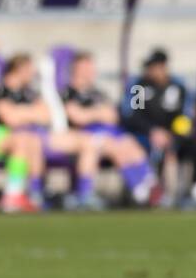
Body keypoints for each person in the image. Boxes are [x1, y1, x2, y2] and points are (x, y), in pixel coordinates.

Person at [0, 53, 106, 211]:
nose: (32, 73)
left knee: (88, 141)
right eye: (29, 69)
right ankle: (33, 193)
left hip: (39, 133)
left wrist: (22, 112)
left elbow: (46, 115)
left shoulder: (29, 92)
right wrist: (31, 113)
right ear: (18, 70)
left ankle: (84, 196)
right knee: (30, 140)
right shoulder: (2, 91)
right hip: (7, 137)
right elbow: (10, 118)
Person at [61, 51, 158, 206]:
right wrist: (99, 113)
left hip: (110, 132)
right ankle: (140, 191)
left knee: (130, 143)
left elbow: (113, 116)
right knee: (116, 146)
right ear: (76, 68)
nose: (90, 71)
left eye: (91, 67)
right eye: (86, 67)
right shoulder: (68, 92)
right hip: (86, 135)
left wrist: (96, 113)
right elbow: (77, 117)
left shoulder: (97, 92)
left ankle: (149, 184)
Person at [121, 49, 196, 206]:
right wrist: (152, 131)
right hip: (145, 134)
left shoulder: (178, 87)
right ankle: (152, 193)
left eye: (155, 66)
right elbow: (133, 115)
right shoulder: (140, 87)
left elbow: (185, 116)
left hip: (172, 135)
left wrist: (172, 134)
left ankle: (176, 193)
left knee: (177, 147)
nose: (151, 71)